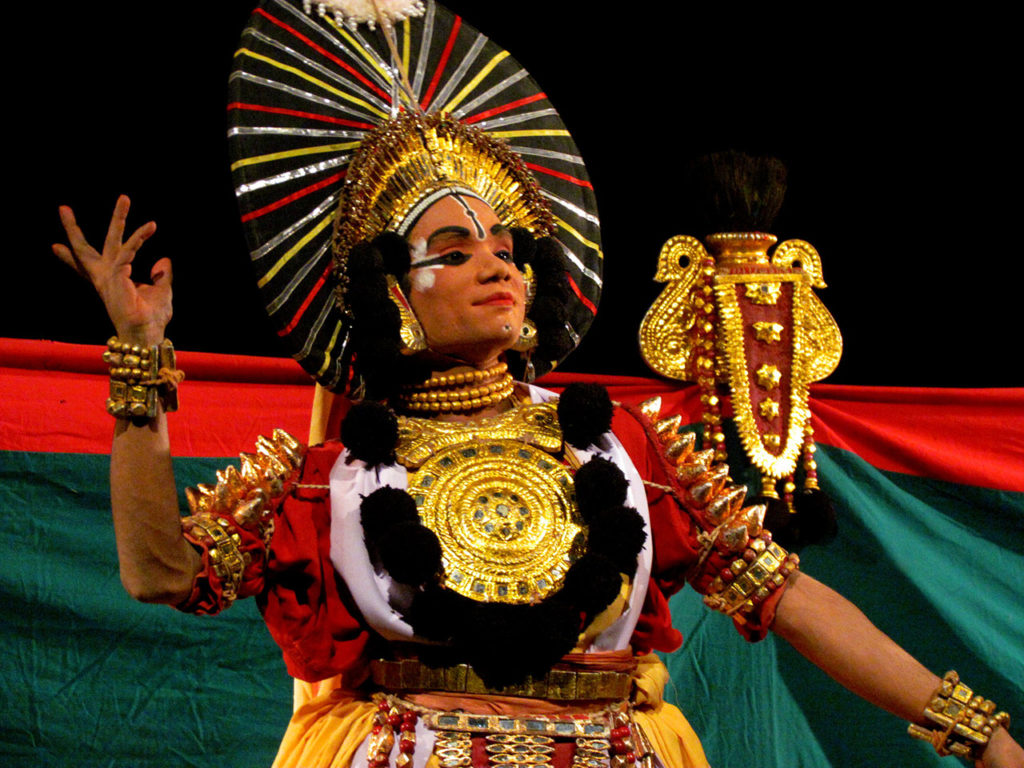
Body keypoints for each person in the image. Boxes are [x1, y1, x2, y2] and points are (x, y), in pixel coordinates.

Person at [51, 3, 1024, 767]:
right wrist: (140, 362)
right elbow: (160, 572)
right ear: (396, 297)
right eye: (453, 247)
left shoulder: (626, 450)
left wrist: (973, 730)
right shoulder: (329, 476)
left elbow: (791, 597)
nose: (494, 262)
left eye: (506, 245)